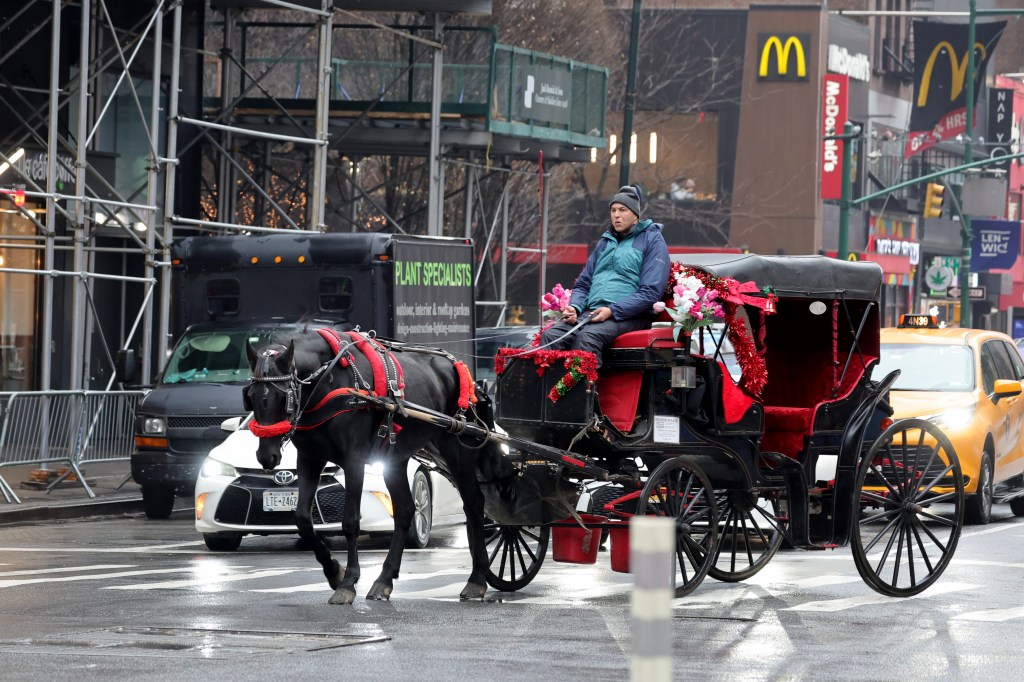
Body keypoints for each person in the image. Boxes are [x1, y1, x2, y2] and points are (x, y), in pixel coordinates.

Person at [540, 184, 671, 366]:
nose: (616, 215)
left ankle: (586, 393)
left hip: (630, 316)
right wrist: (575, 307)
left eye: (623, 210)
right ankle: (550, 392)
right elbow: (584, 284)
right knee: (551, 335)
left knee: (587, 337)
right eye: (613, 210)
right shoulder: (605, 241)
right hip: (592, 312)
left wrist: (612, 311)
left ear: (636, 216)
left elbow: (650, 292)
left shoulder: (652, 239)